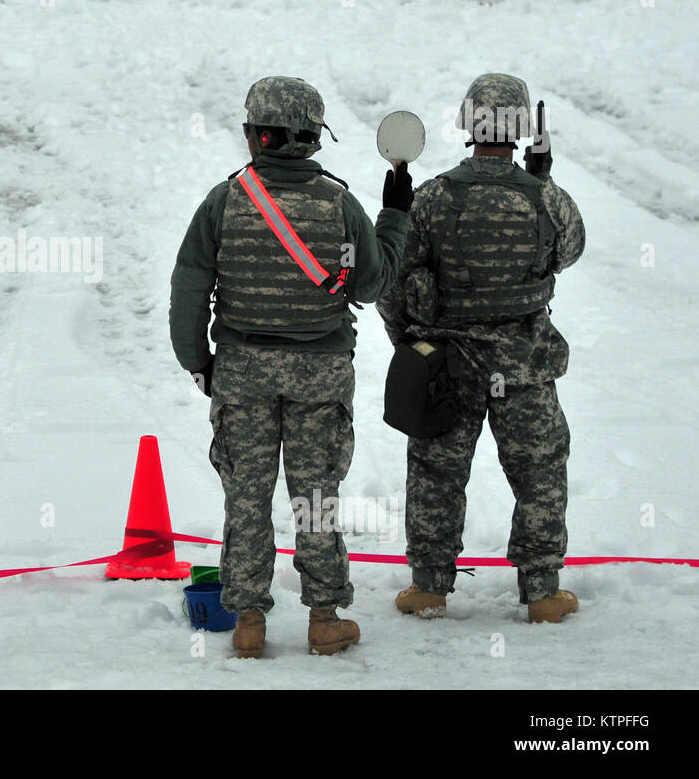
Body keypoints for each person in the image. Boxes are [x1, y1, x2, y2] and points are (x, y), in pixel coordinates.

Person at [169, 76, 412, 657]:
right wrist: (395, 216)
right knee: (318, 498)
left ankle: (249, 622)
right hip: (320, 373)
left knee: (246, 498)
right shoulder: (341, 204)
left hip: (242, 369)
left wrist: (198, 362)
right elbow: (376, 281)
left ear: (257, 135)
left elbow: (189, 288)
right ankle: (324, 619)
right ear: (311, 138)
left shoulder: (225, 201)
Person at [378, 72, 585, 623]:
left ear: (469, 125)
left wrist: (409, 346)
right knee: (539, 471)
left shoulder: (433, 198)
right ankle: (542, 592)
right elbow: (567, 252)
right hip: (526, 363)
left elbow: (395, 280)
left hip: (450, 363)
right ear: (522, 129)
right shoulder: (548, 199)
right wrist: (541, 181)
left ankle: (428, 588)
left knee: (436, 473)